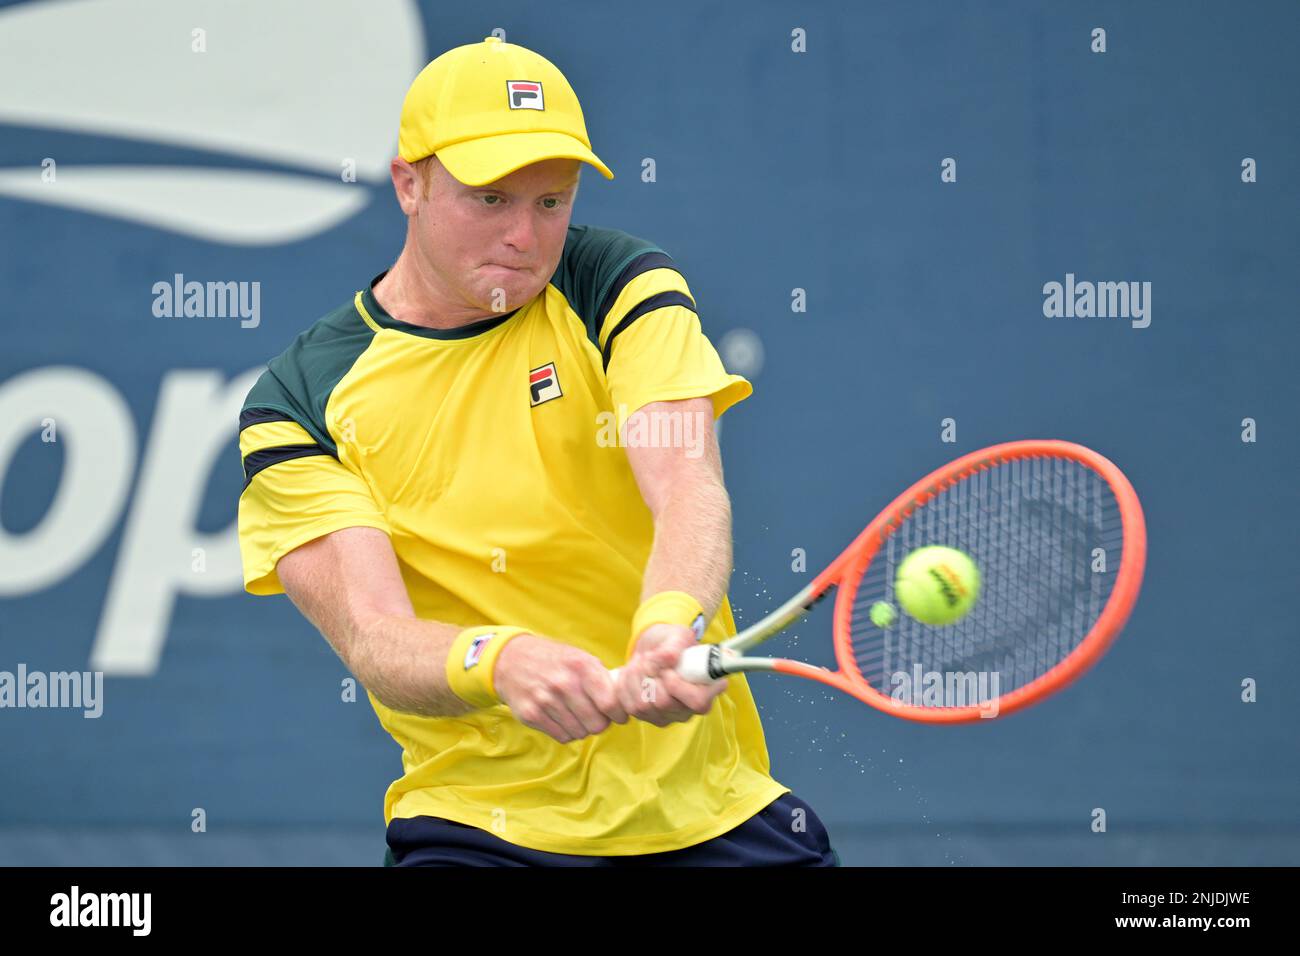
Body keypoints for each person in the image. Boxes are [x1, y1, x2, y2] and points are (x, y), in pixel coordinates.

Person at [236, 35, 838, 866]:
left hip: (709, 814)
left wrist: (669, 626)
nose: (525, 233)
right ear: (408, 183)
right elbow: (374, 636)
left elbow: (686, 482)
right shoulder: (298, 403)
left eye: (551, 202)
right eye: (491, 200)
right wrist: (499, 660)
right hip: (477, 828)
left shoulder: (616, 284)